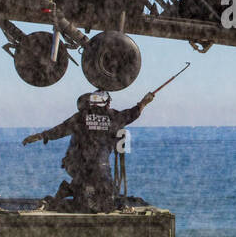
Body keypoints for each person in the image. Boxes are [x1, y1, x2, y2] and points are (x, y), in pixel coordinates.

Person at [23, 90, 153, 211]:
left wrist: (40, 135)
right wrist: (144, 102)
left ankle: (71, 189)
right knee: (106, 203)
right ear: (107, 103)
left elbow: (60, 130)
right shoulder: (114, 117)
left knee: (87, 198)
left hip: (77, 166)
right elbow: (133, 113)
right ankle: (72, 189)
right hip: (100, 167)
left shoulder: (81, 117)